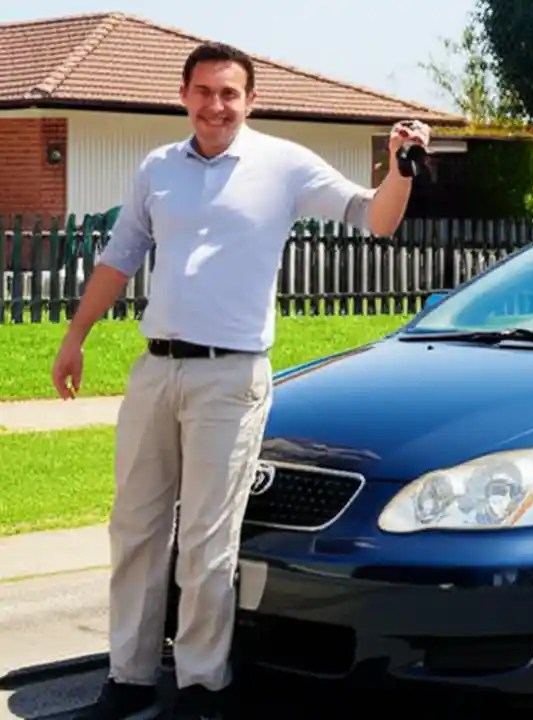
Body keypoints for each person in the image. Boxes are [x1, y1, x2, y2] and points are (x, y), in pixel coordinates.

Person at [52, 41, 429, 720]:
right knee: (133, 528)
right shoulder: (157, 168)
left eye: (229, 94)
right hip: (155, 369)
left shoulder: (282, 165)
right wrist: (74, 337)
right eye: (203, 91)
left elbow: (373, 217)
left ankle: (201, 687)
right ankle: (130, 679)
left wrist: (400, 169)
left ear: (250, 101)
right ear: (183, 95)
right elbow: (120, 256)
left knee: (205, 538)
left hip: (230, 377)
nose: (215, 105)